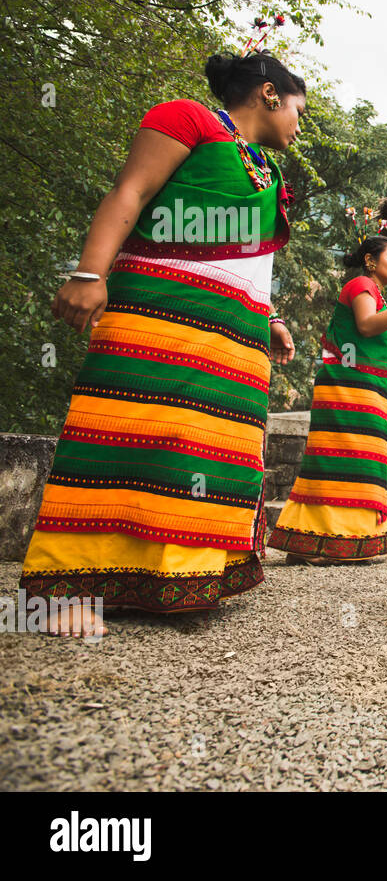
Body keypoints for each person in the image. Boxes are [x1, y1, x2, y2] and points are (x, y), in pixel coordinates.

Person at [21, 49, 305, 636]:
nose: (300, 124)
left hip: (234, 332)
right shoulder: (188, 119)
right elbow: (130, 193)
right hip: (158, 310)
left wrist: (271, 316)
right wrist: (88, 273)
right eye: (299, 108)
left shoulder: (267, 169)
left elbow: (250, 257)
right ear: (271, 93)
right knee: (125, 430)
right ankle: (68, 587)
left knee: (198, 448)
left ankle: (176, 576)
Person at [270, 231, 387, 564]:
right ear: (370, 261)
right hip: (345, 387)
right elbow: (365, 326)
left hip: (368, 390)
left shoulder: (380, 295)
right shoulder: (360, 287)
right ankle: (317, 542)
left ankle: (351, 539)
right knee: (339, 457)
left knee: (363, 460)